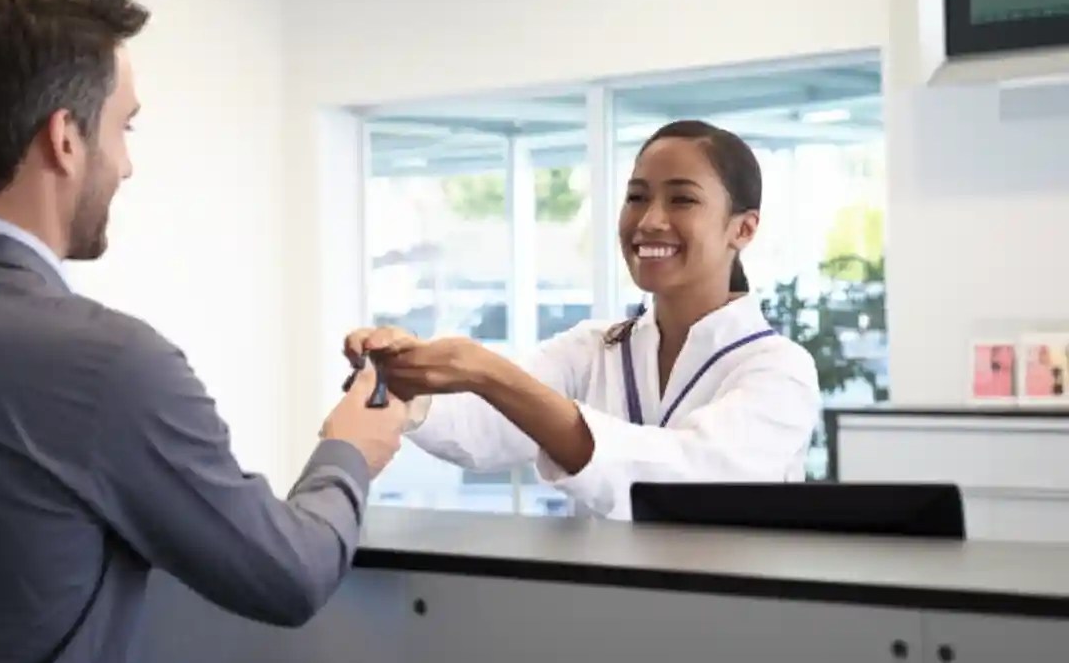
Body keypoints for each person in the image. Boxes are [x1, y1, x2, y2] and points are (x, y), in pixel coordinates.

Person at [0, 0, 406, 663]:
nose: (128, 163)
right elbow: (288, 575)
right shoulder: (103, 362)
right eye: (125, 127)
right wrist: (350, 450)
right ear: (64, 139)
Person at [345, 120, 821, 519]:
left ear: (744, 227)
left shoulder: (778, 369)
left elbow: (687, 479)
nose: (650, 220)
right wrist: (408, 379)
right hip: (595, 607)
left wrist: (486, 370)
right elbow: (484, 429)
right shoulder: (596, 348)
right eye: (636, 197)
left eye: (682, 200)